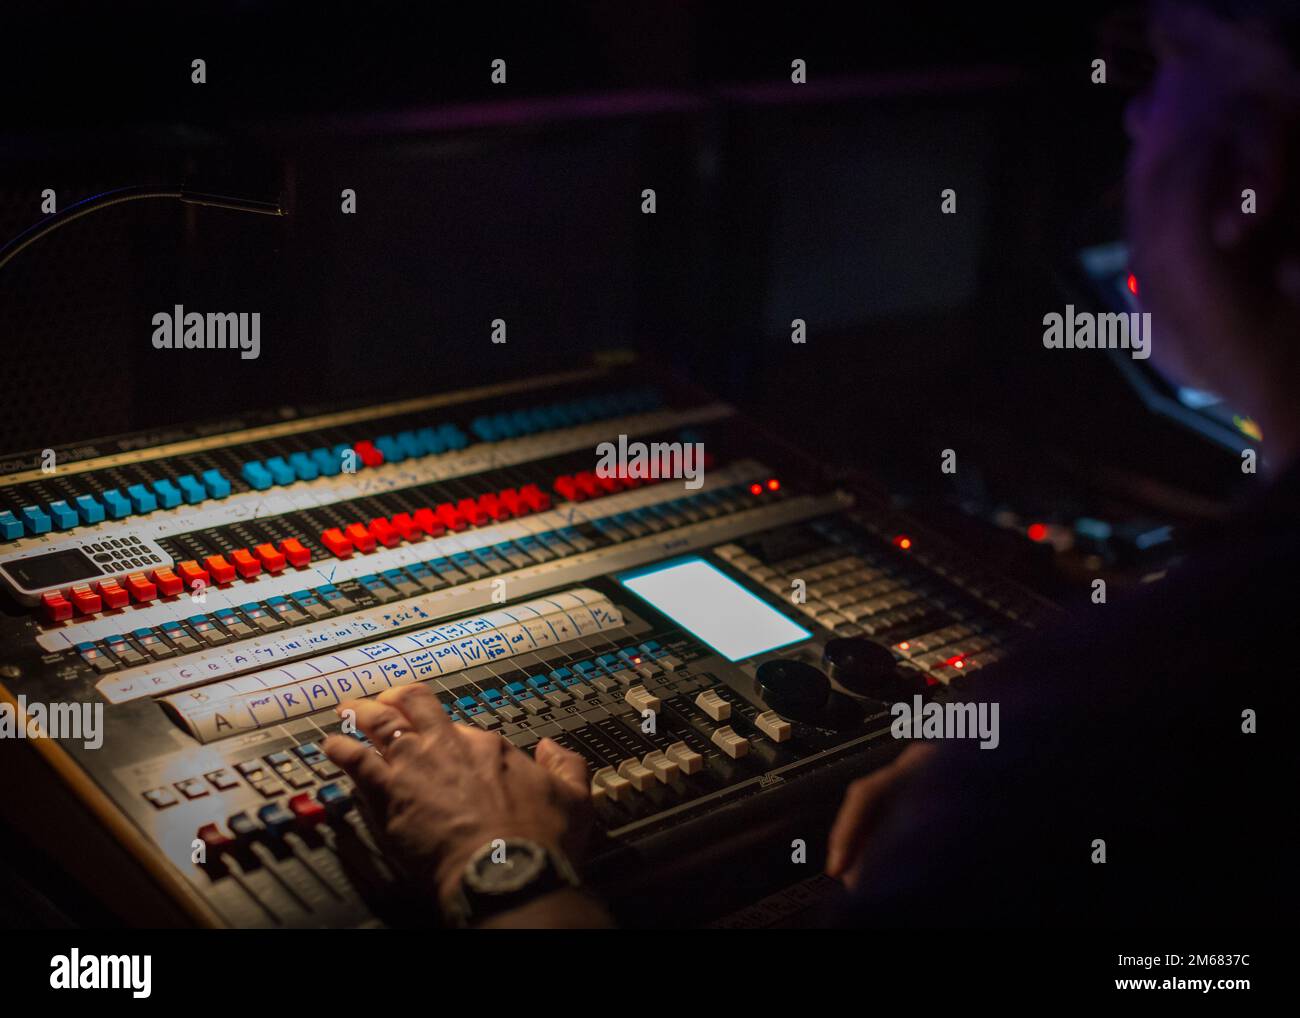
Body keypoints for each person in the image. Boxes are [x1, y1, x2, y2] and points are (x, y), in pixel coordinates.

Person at [322, 0, 1300, 928]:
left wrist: (493, 857)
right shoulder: (1130, 707)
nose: (1131, 120)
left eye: (1159, 71)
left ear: (1247, 167)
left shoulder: (1145, 693)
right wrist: (1033, 779)